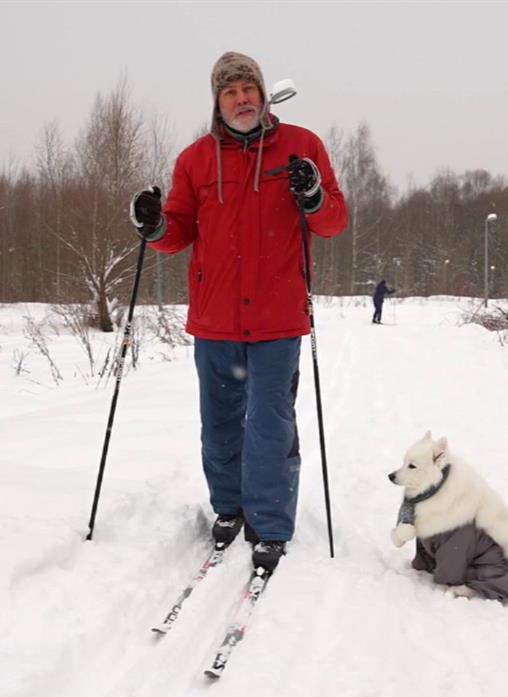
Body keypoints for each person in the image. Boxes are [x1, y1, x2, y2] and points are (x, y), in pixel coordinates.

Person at [128, 51, 347, 572]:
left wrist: (313, 195)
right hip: (216, 320)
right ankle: (228, 507)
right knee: (220, 424)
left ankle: (269, 524)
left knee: (270, 425)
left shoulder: (302, 146)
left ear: (263, 94)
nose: (241, 99)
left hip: (277, 317)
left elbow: (333, 221)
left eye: (248, 89)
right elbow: (178, 231)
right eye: (230, 92)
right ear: (217, 101)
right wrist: (153, 225)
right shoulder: (195, 159)